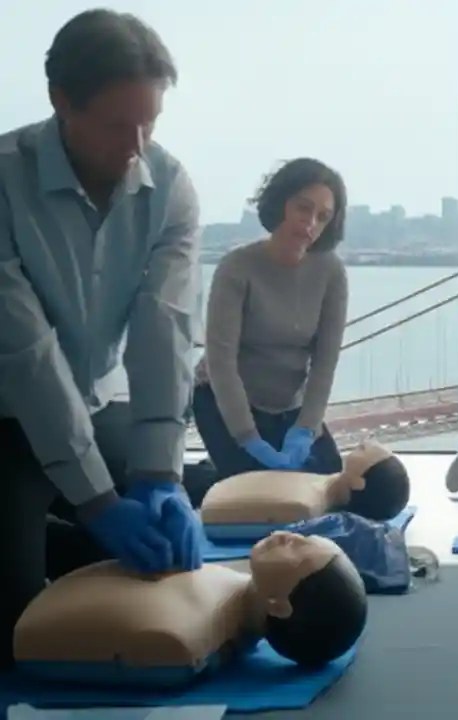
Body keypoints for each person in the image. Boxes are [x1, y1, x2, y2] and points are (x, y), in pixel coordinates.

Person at [0, 10, 205, 667]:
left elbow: (164, 328)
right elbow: (25, 356)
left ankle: (59, 531)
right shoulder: (3, 180)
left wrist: (158, 472)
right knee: (17, 627)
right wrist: (96, 501)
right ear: (62, 102)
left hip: (88, 404)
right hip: (4, 416)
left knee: (170, 543)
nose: (137, 144)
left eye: (151, 123)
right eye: (120, 126)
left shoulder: (169, 185)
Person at [14, 531, 366, 686]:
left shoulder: (180, 639)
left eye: (300, 551)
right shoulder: (227, 587)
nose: (291, 536)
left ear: (280, 607)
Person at [191, 158, 348, 495]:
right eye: (303, 208)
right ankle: (198, 478)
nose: (310, 223)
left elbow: (325, 361)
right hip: (223, 398)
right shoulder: (237, 266)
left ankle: (216, 471)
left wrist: (306, 428)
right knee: (257, 494)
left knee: (330, 484)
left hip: (289, 405)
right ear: (281, 203)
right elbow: (221, 363)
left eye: (323, 216)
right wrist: (248, 437)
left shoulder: (331, 272)